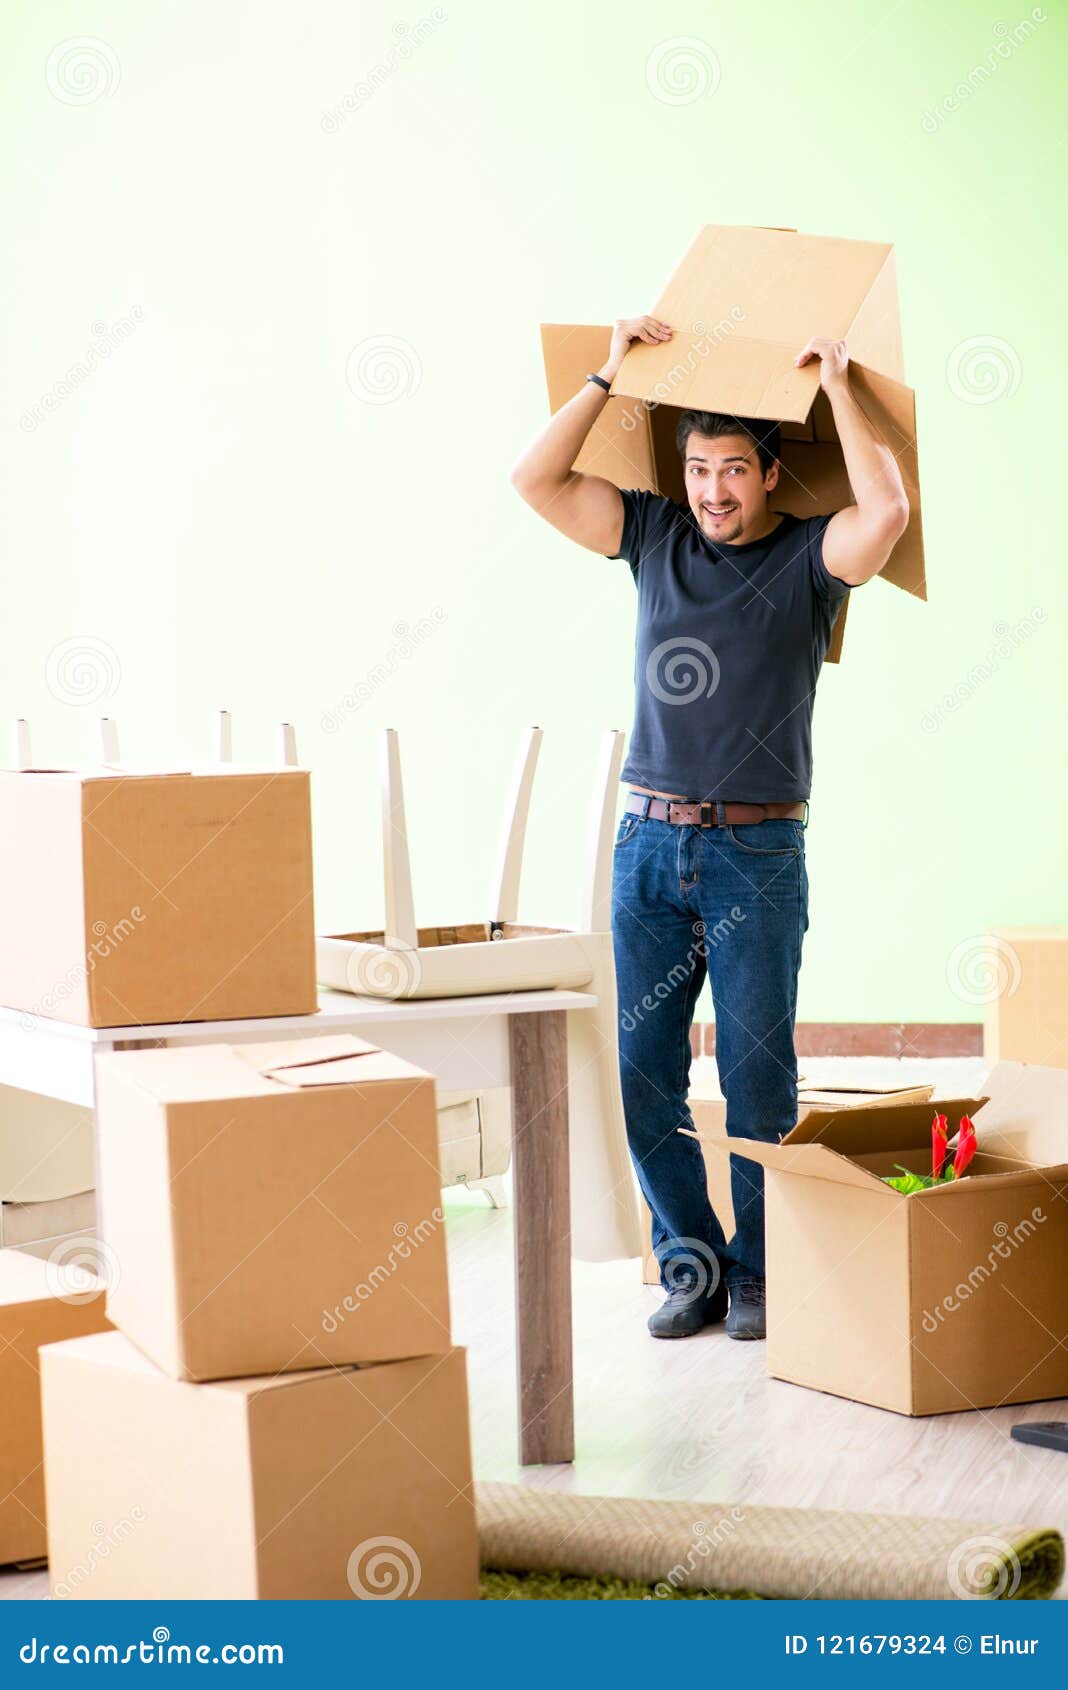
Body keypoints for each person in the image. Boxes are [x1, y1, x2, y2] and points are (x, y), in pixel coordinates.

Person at [510, 315, 909, 1340]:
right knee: (643, 1071)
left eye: (735, 469)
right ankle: (690, 1266)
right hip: (647, 846)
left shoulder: (813, 561)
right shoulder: (653, 535)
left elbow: (890, 507)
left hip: (757, 855)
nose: (714, 490)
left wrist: (838, 388)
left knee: (755, 1078)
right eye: (697, 468)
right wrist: (608, 372)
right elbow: (536, 478)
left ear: (773, 474)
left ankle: (765, 1274)